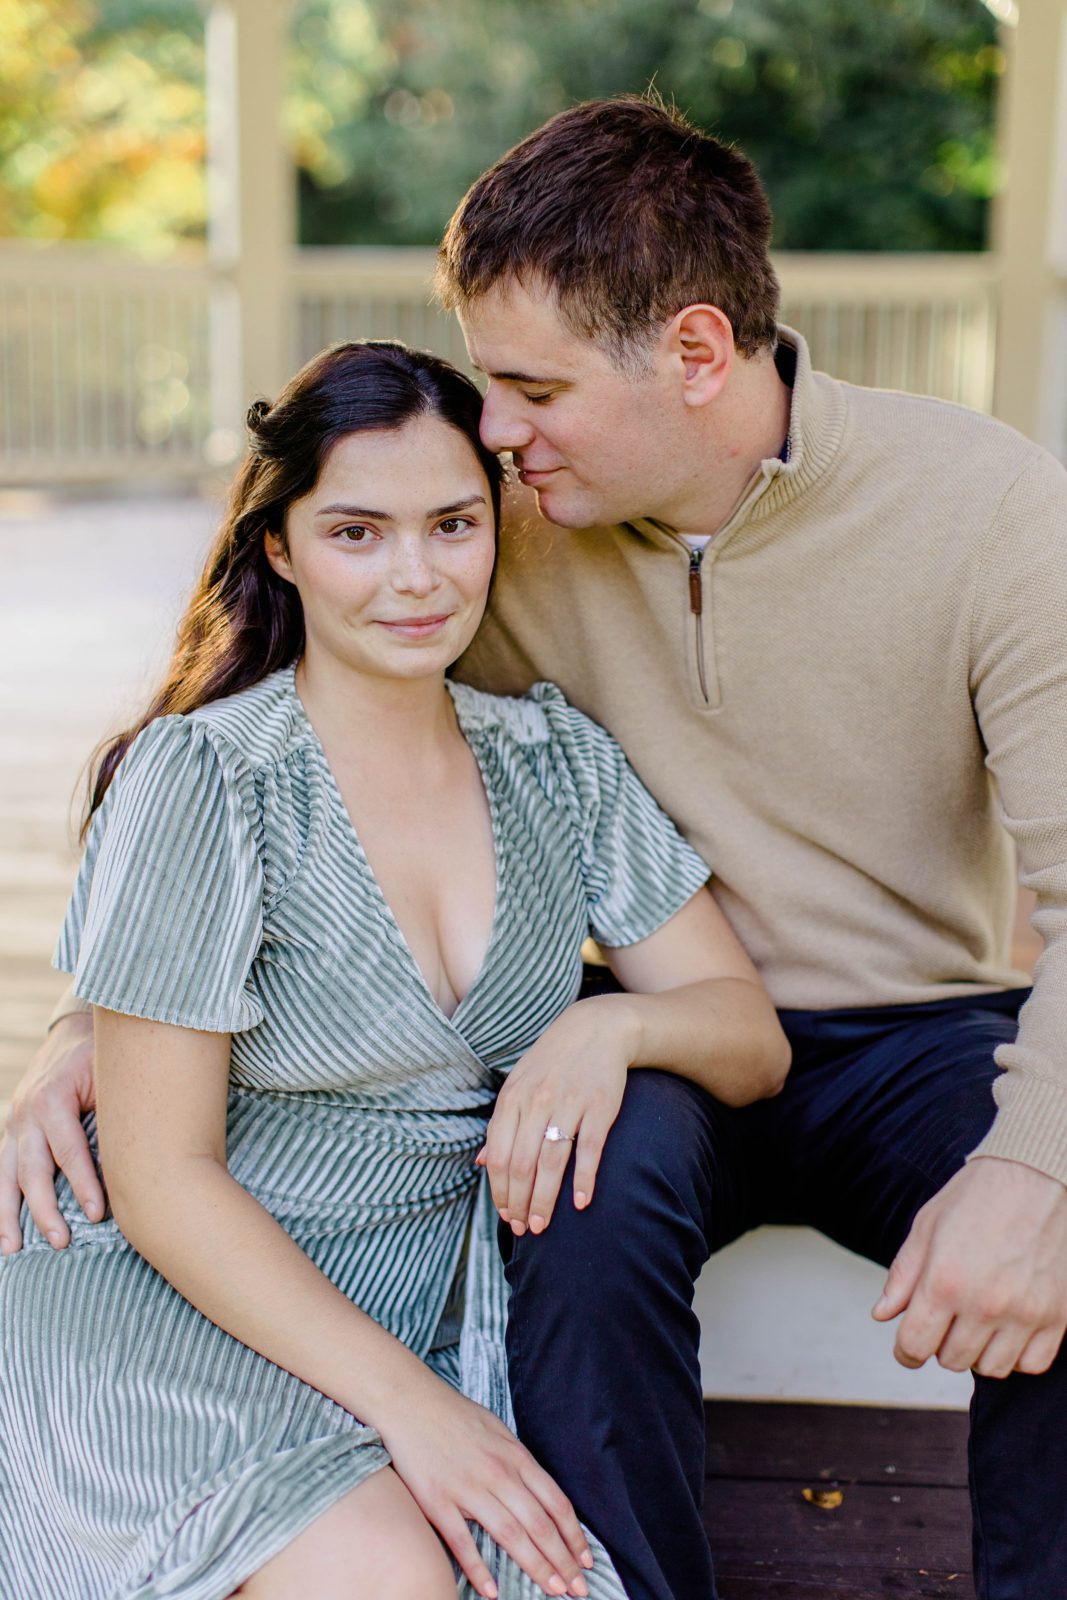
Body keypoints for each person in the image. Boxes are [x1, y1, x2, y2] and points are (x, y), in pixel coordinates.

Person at [5, 91, 1067, 1600]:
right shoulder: (499, 522)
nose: (494, 439)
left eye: (531, 391)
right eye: (488, 396)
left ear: (694, 355)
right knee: (572, 1202)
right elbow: (244, 733)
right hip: (640, 1043)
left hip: (908, 1031)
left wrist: (1038, 1168)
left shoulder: (991, 511)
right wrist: (89, 1030)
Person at [0, 338, 791, 1600]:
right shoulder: (209, 777)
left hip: (425, 1309)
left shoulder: (554, 763)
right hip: (184, 1311)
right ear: (280, 547)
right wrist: (415, 1410)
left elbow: (747, 1035)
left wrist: (608, 1032)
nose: (415, 577)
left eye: (452, 525)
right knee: (383, 1578)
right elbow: (161, 1180)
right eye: (357, 533)